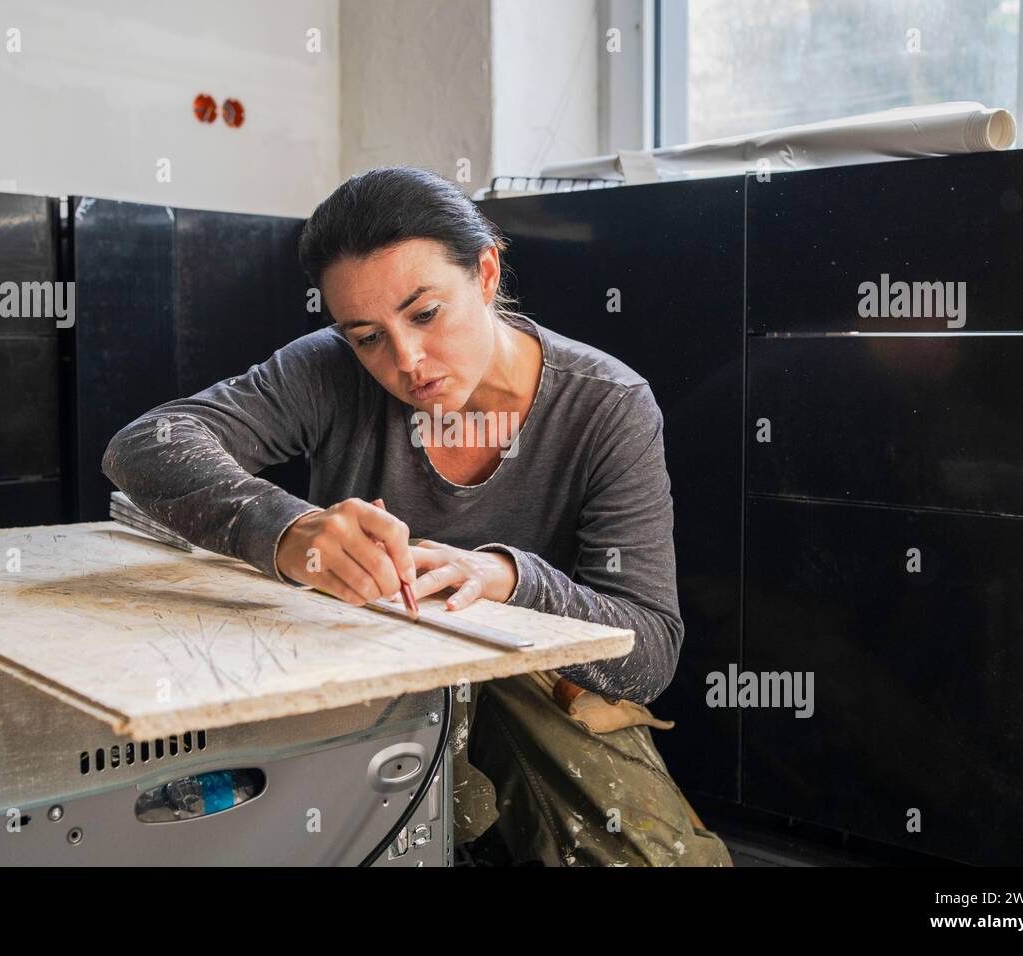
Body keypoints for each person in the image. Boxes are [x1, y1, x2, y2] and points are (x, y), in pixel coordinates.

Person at [101, 165, 732, 867]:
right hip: (367, 679)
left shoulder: (608, 405)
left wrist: (506, 577)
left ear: (487, 273)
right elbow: (142, 447)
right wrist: (286, 530)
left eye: (426, 315)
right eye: (366, 335)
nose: (407, 361)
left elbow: (648, 655)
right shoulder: (327, 369)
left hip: (529, 692)